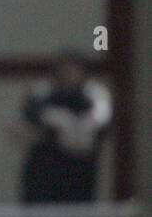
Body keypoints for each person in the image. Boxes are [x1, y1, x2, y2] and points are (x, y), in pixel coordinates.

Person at [19, 50, 111, 203]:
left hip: (80, 175)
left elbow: (102, 118)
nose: (69, 75)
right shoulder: (42, 93)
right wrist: (55, 119)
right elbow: (28, 116)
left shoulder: (95, 95)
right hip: (43, 173)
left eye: (74, 70)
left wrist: (83, 126)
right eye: (65, 71)